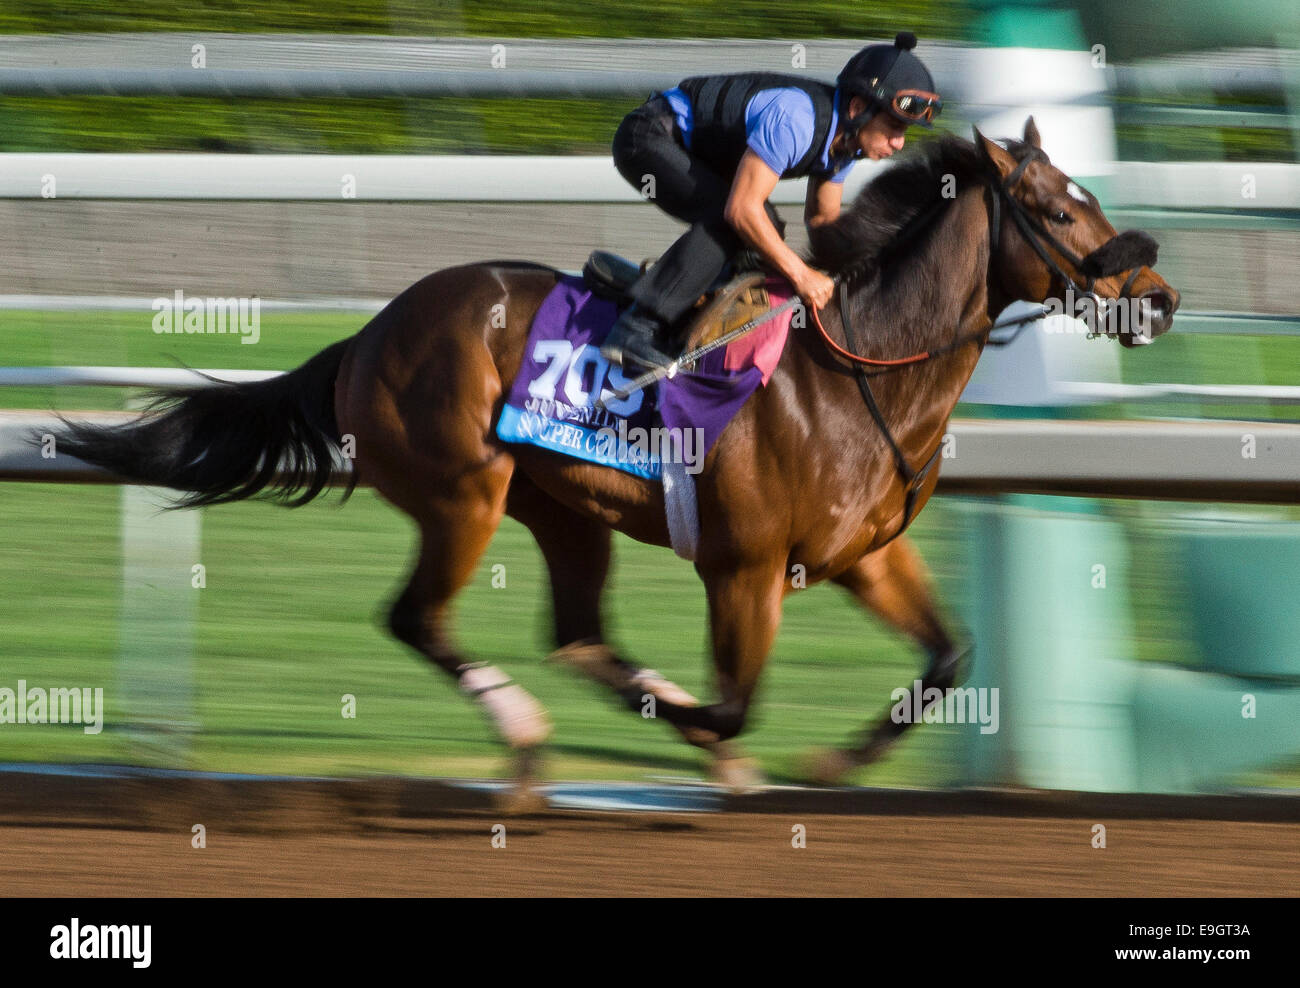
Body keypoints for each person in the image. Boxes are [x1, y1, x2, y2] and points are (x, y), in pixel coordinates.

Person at [600, 31, 942, 372]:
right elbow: (740, 211)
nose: (898, 143)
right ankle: (637, 327)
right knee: (738, 221)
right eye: (894, 127)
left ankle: (678, 302)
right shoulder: (796, 120)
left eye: (905, 132)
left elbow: (823, 222)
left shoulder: (847, 144)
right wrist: (802, 275)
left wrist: (877, 260)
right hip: (646, 138)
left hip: (688, 149)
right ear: (858, 108)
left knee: (767, 228)